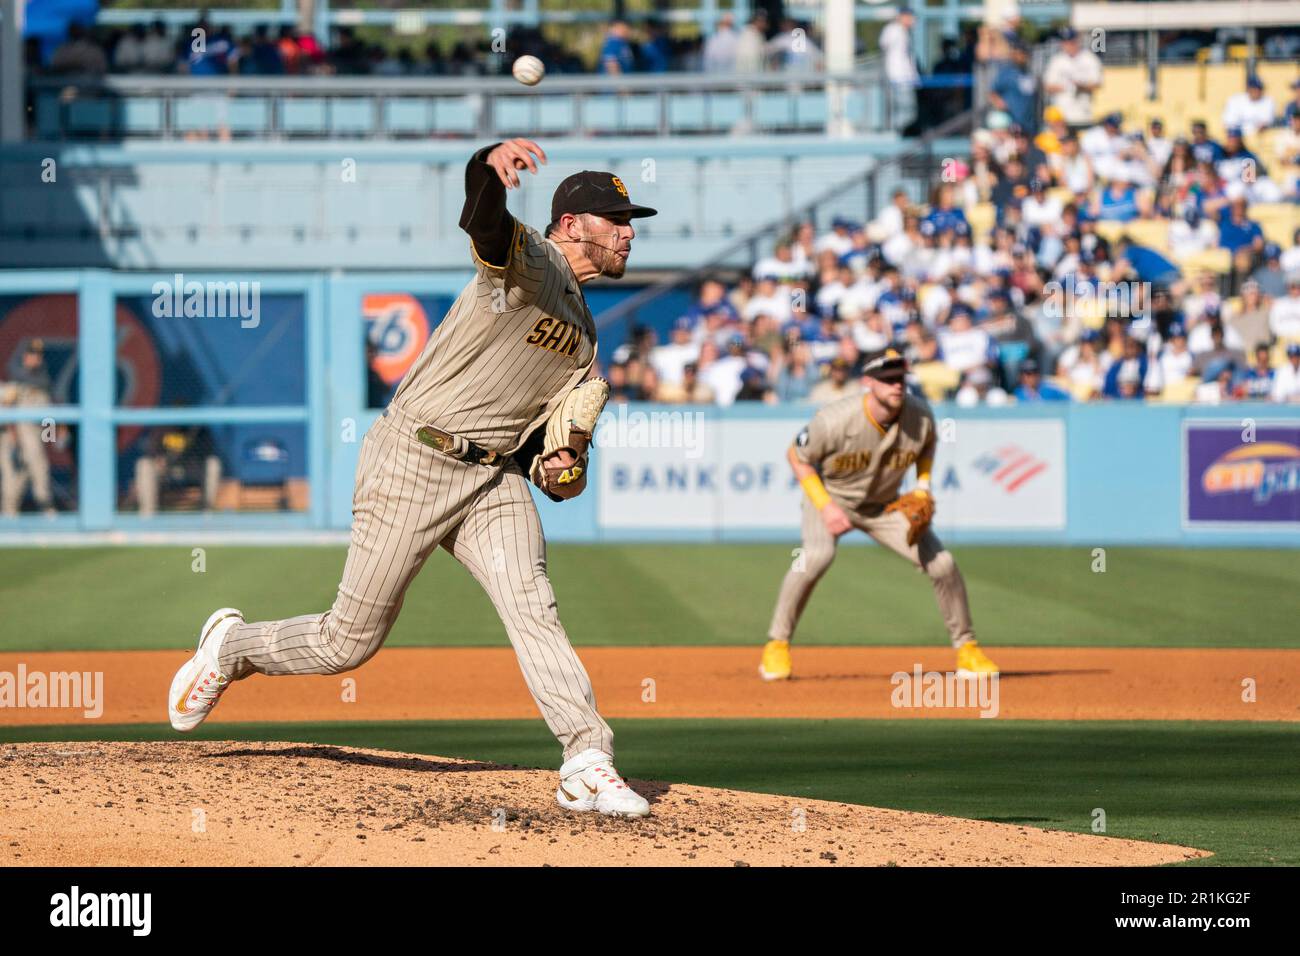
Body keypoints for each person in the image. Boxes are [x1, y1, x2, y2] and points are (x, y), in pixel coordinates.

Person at [167, 139, 658, 819]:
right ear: (572, 224)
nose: (630, 232)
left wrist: (557, 462)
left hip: (488, 482)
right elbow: (485, 224)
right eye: (616, 219)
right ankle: (232, 647)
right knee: (348, 643)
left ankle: (586, 758)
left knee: (531, 602)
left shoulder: (584, 335)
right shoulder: (534, 266)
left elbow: (539, 451)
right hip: (413, 457)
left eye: (632, 220)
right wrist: (487, 169)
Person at [758, 349, 999, 682]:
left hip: (884, 505)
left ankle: (967, 649)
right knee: (815, 556)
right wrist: (826, 507)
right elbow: (797, 456)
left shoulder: (919, 414)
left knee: (942, 564)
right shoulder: (835, 419)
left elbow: (928, 444)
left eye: (900, 379)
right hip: (832, 499)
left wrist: (923, 485)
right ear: (868, 382)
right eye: (887, 380)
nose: (896, 386)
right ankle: (777, 644)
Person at [0, 340, 57, 517]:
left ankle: (10, 509)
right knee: (17, 471)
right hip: (13, 436)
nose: (35, 359)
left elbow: (50, 414)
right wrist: (13, 434)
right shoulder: (14, 382)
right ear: (24, 357)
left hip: (35, 436)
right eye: (31, 355)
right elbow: (7, 409)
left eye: (38, 355)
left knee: (32, 467)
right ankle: (42, 504)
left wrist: (50, 438)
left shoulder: (43, 382)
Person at [134, 425, 222, 517]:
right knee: (144, 464)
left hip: (190, 467)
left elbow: (207, 452)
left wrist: (194, 458)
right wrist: (158, 457)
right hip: (166, 468)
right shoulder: (162, 426)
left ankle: (207, 514)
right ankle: (148, 516)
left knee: (213, 464)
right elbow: (151, 451)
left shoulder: (197, 427)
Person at [1041, 27, 1103, 130]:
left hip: (1084, 113)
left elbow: (1097, 83)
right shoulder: (1057, 60)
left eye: (1071, 42)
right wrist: (1068, 86)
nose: (1068, 45)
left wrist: (1080, 86)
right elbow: (1048, 86)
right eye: (1065, 42)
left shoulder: (1089, 58)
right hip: (1061, 116)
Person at [879, 6, 918, 131]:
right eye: (910, 17)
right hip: (898, 79)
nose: (912, 20)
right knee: (903, 110)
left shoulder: (903, 32)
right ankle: (899, 132)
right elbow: (884, 45)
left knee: (907, 110)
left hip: (904, 79)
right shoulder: (893, 30)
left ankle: (903, 131)